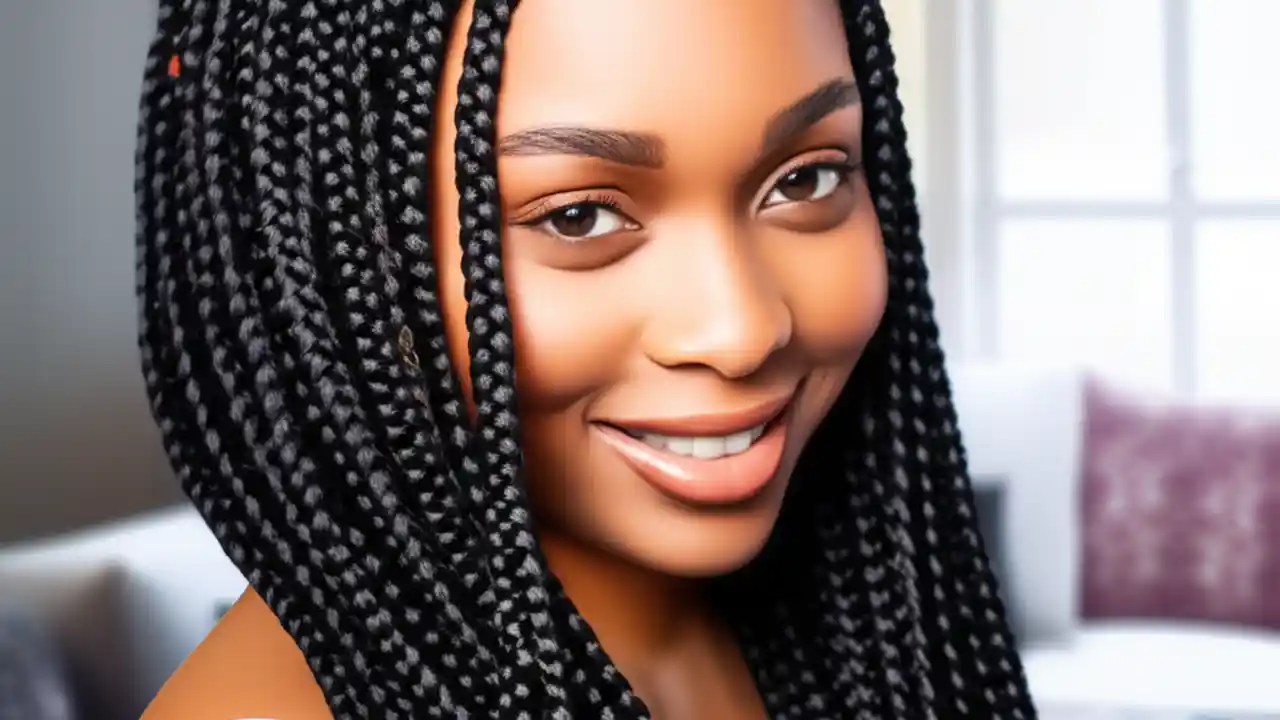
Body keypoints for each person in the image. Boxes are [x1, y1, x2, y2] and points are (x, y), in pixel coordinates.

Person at [135, 0, 1036, 717]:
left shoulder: (861, 637)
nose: (741, 330)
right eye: (579, 216)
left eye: (805, 179)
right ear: (335, 259)